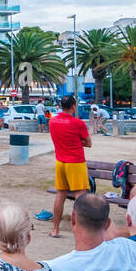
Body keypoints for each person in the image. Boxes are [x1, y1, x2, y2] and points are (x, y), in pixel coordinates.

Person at [48, 94, 91, 238]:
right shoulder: (78, 123)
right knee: (80, 195)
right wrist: (79, 142)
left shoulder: (53, 121)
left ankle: (55, 229)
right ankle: (80, 229)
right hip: (76, 162)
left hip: (60, 162)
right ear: (73, 106)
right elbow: (89, 143)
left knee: (60, 195)